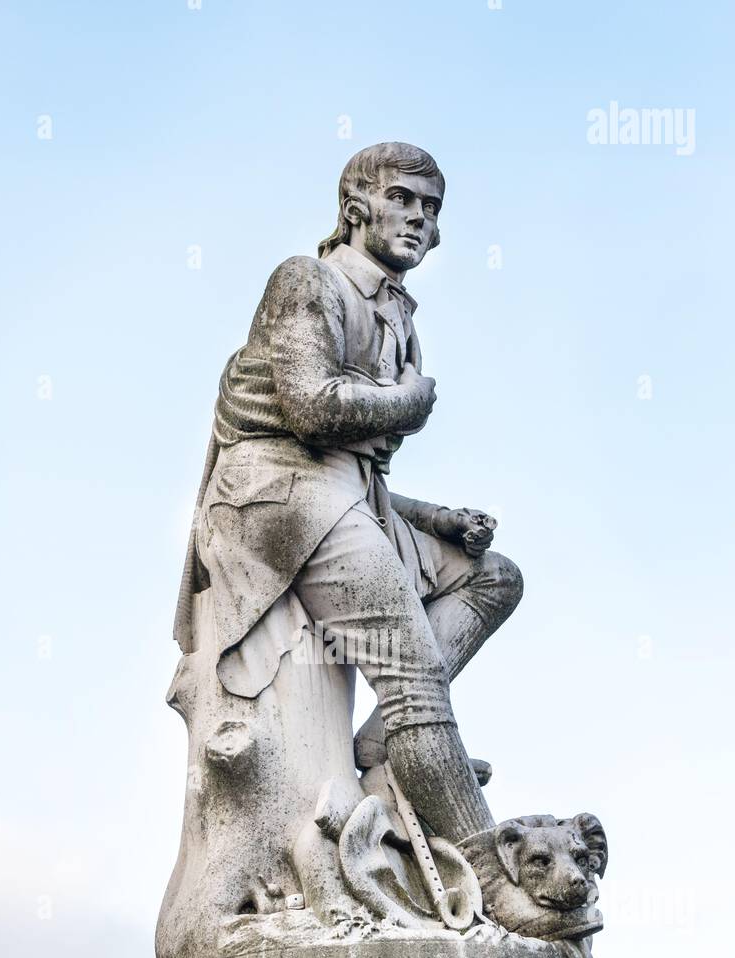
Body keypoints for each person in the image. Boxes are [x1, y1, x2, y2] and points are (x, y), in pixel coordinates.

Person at [173, 142, 523, 905]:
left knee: (495, 579)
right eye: (403, 198)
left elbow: (366, 470)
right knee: (414, 674)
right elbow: (313, 409)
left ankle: (385, 737)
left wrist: (437, 518)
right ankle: (493, 881)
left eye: (431, 209)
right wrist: (413, 402)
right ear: (356, 202)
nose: (419, 219)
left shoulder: (398, 314)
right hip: (276, 495)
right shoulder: (307, 282)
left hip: (347, 493)